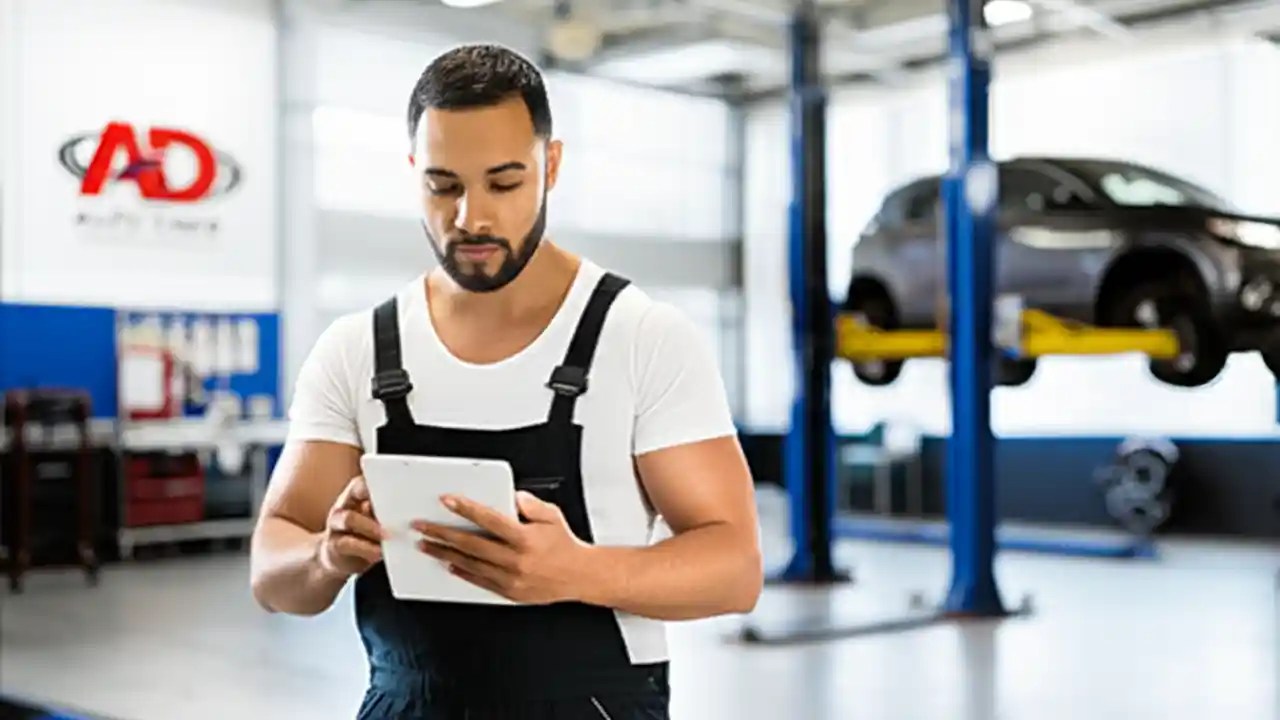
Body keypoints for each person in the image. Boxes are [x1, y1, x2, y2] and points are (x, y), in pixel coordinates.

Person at [249, 42, 764, 719]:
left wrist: (574, 571)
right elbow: (272, 573)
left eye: (503, 182)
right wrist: (326, 556)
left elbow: (734, 569)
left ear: (550, 165)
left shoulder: (641, 337)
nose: (471, 218)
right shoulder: (357, 352)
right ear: (413, 172)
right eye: (443, 185)